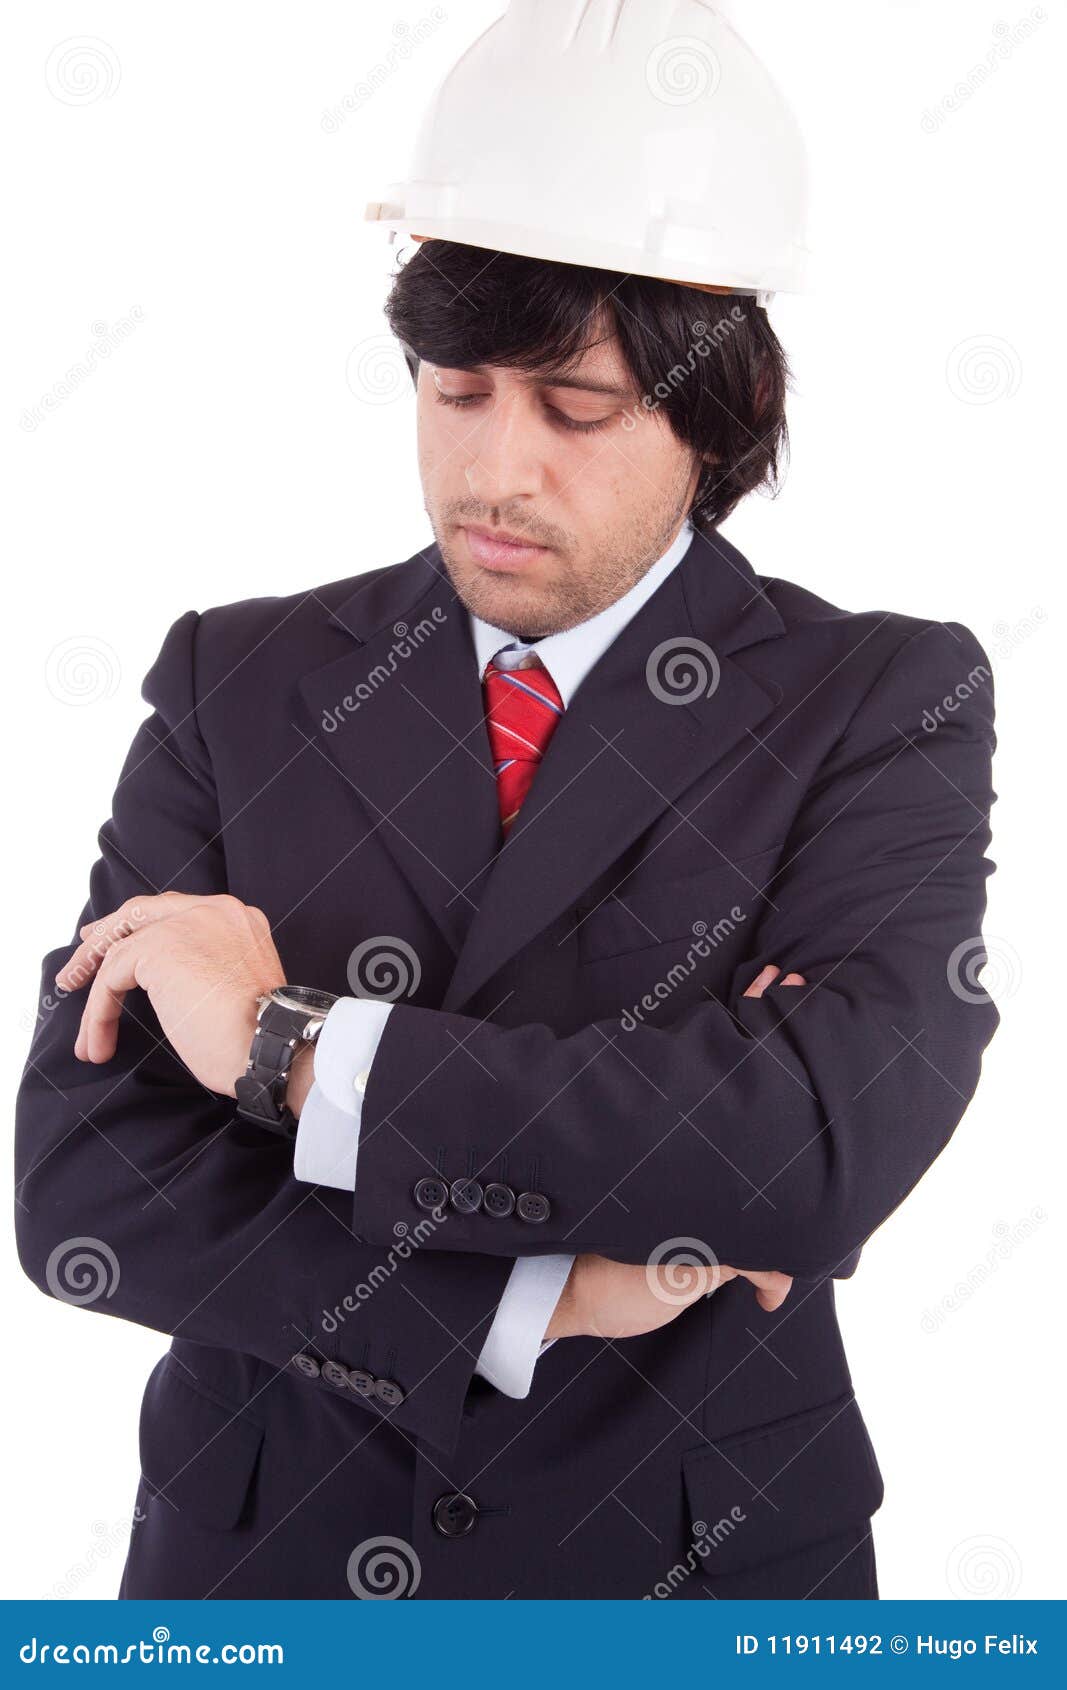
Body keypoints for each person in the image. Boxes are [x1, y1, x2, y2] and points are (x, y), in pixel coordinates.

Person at [14, 2, 998, 1600]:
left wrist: (289, 1041)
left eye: (575, 409)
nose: (496, 470)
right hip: (270, 1560)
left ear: (713, 419)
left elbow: (815, 1149)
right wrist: (519, 1299)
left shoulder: (876, 700)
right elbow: (88, 1182)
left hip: (698, 1564)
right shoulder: (237, 678)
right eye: (455, 390)